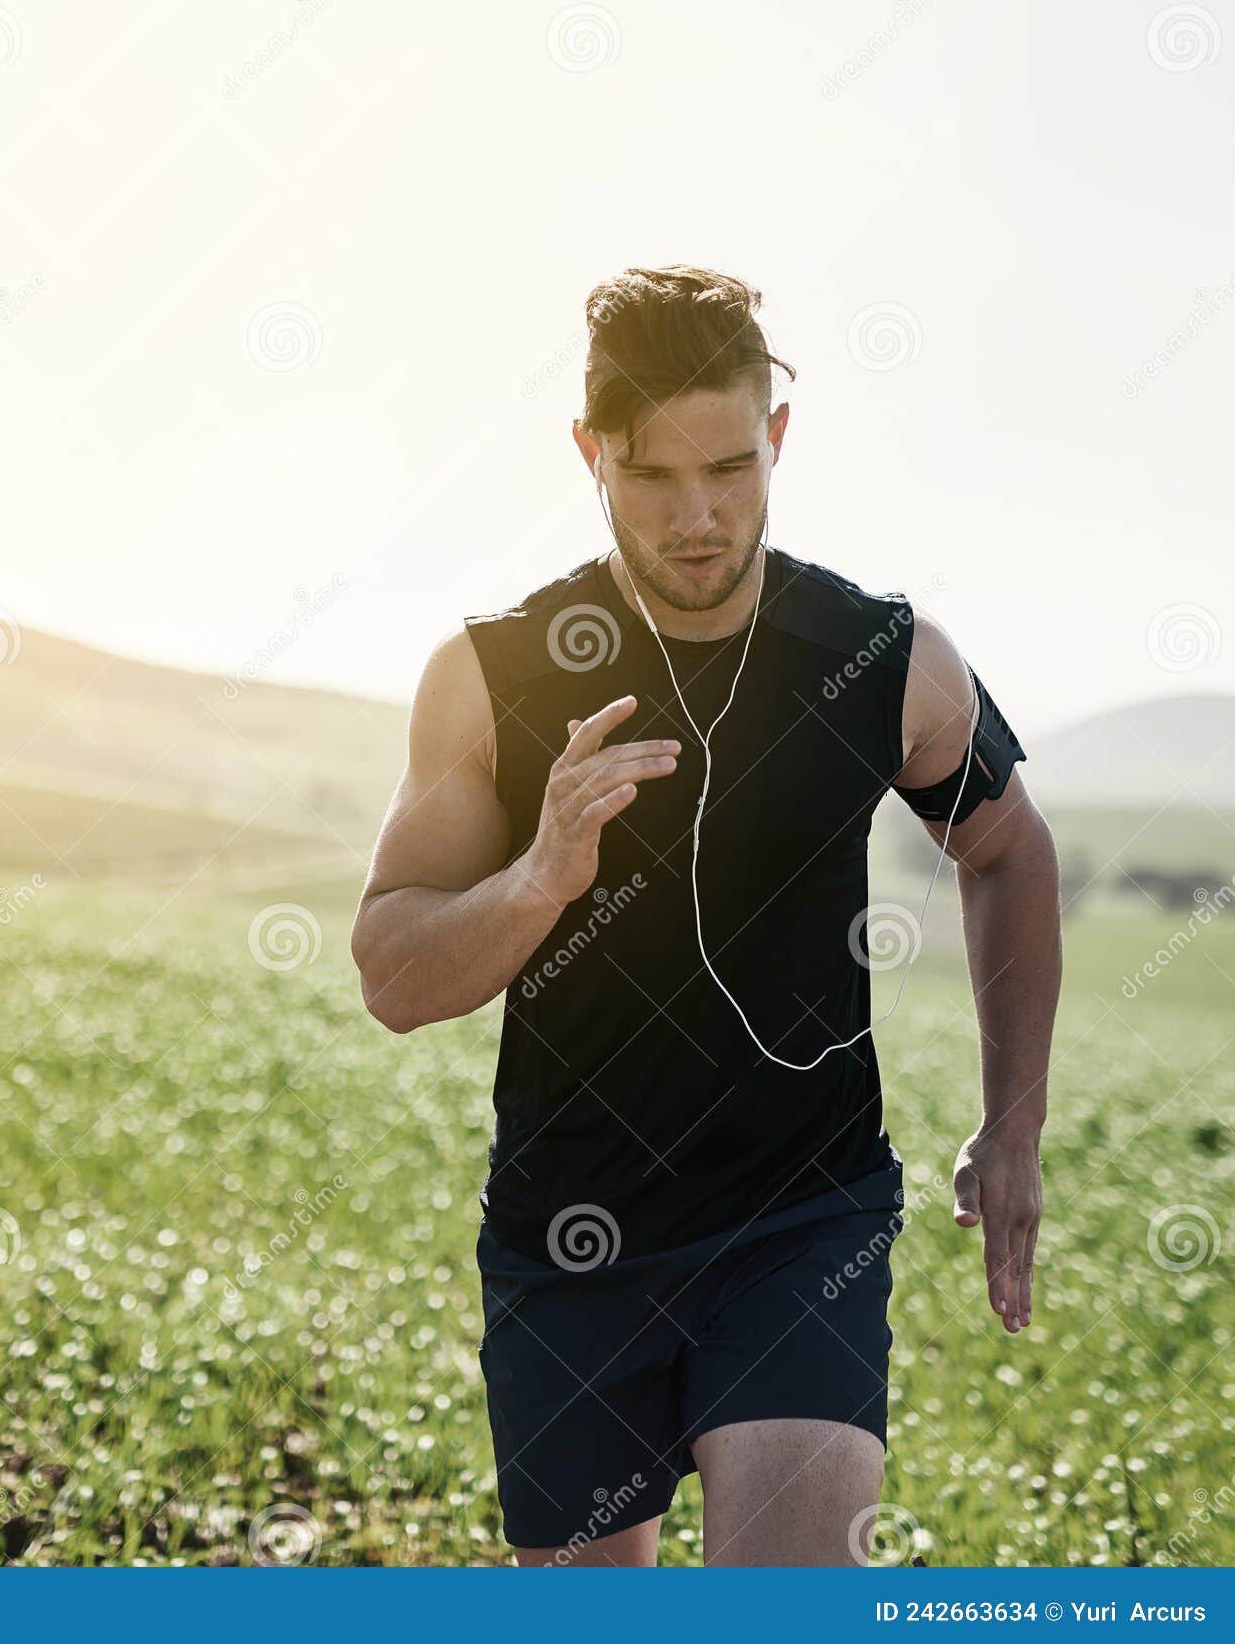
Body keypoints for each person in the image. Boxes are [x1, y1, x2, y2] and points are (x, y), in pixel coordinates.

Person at [350, 265, 1062, 1567]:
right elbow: (393, 977)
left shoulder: (885, 661)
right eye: (653, 478)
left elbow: (1008, 851)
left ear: (777, 437)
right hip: (571, 1238)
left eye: (731, 469)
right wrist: (539, 877)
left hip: (802, 1220)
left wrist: (1013, 1122)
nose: (698, 517)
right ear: (590, 455)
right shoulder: (493, 675)